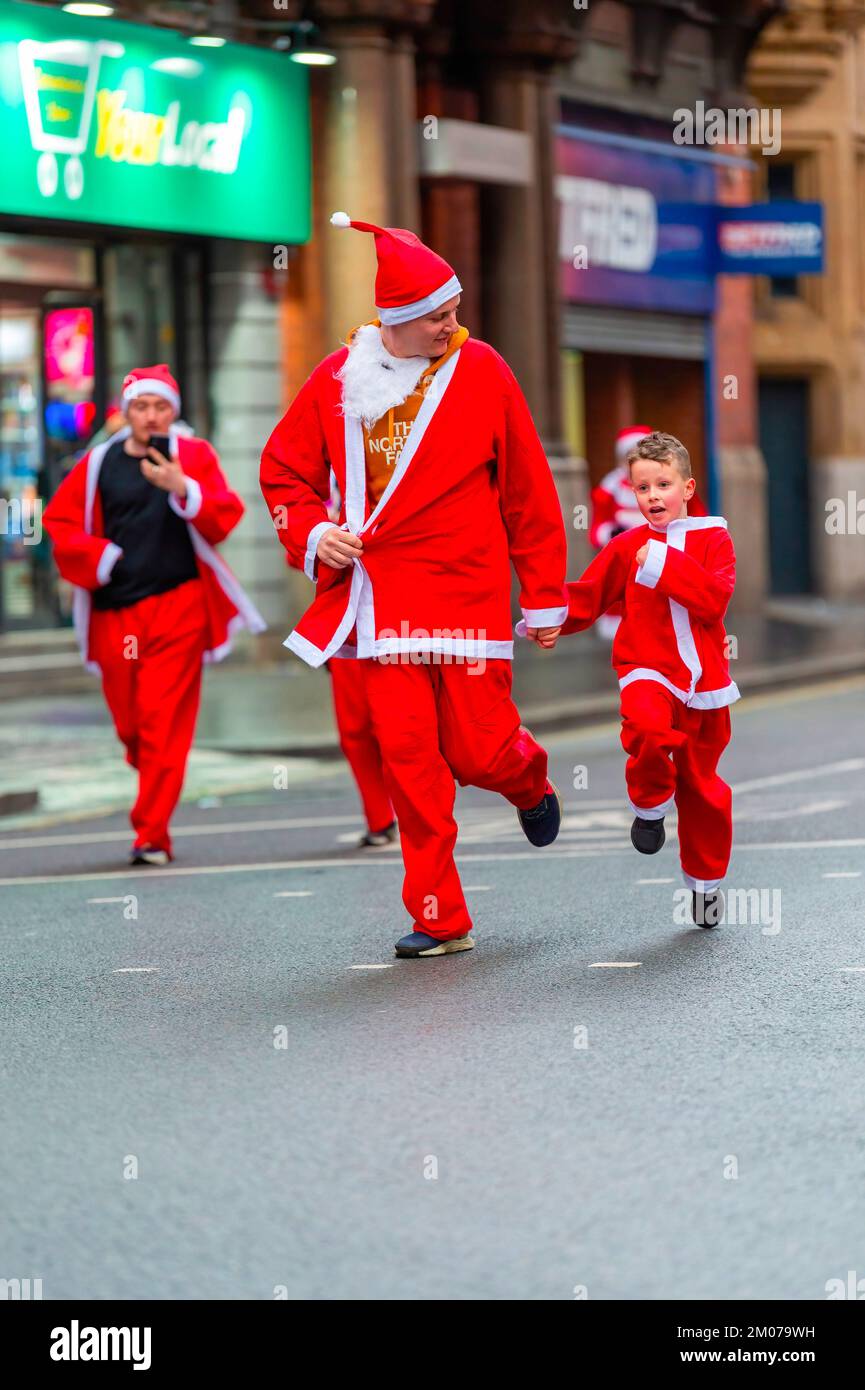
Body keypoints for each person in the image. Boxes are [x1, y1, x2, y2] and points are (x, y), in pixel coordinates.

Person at [260, 212, 568, 958]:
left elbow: (526, 487)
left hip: (464, 598)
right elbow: (284, 471)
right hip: (376, 604)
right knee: (410, 764)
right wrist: (311, 532)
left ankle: (527, 780)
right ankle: (440, 917)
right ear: (392, 321)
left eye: (453, 311)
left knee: (479, 751)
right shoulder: (336, 379)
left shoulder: (484, 369)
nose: (450, 325)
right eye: (435, 316)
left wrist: (546, 591)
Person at [43, 363, 266, 865]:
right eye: (141, 407)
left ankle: (151, 833)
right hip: (116, 616)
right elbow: (58, 522)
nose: (150, 416)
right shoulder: (98, 463)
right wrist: (96, 555)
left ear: (173, 411)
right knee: (132, 724)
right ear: (125, 413)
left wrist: (182, 487)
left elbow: (224, 516)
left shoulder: (192, 456)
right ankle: (149, 779)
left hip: (178, 606)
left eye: (160, 406)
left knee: (164, 722)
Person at [539, 430, 738, 928]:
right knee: (647, 728)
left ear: (687, 488)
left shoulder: (715, 537)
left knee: (703, 788)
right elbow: (590, 594)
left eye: (663, 485)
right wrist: (547, 618)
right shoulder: (629, 546)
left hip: (706, 683)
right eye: (642, 488)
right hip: (645, 668)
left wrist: (666, 564)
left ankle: (706, 886)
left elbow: (714, 601)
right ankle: (648, 806)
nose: (652, 496)